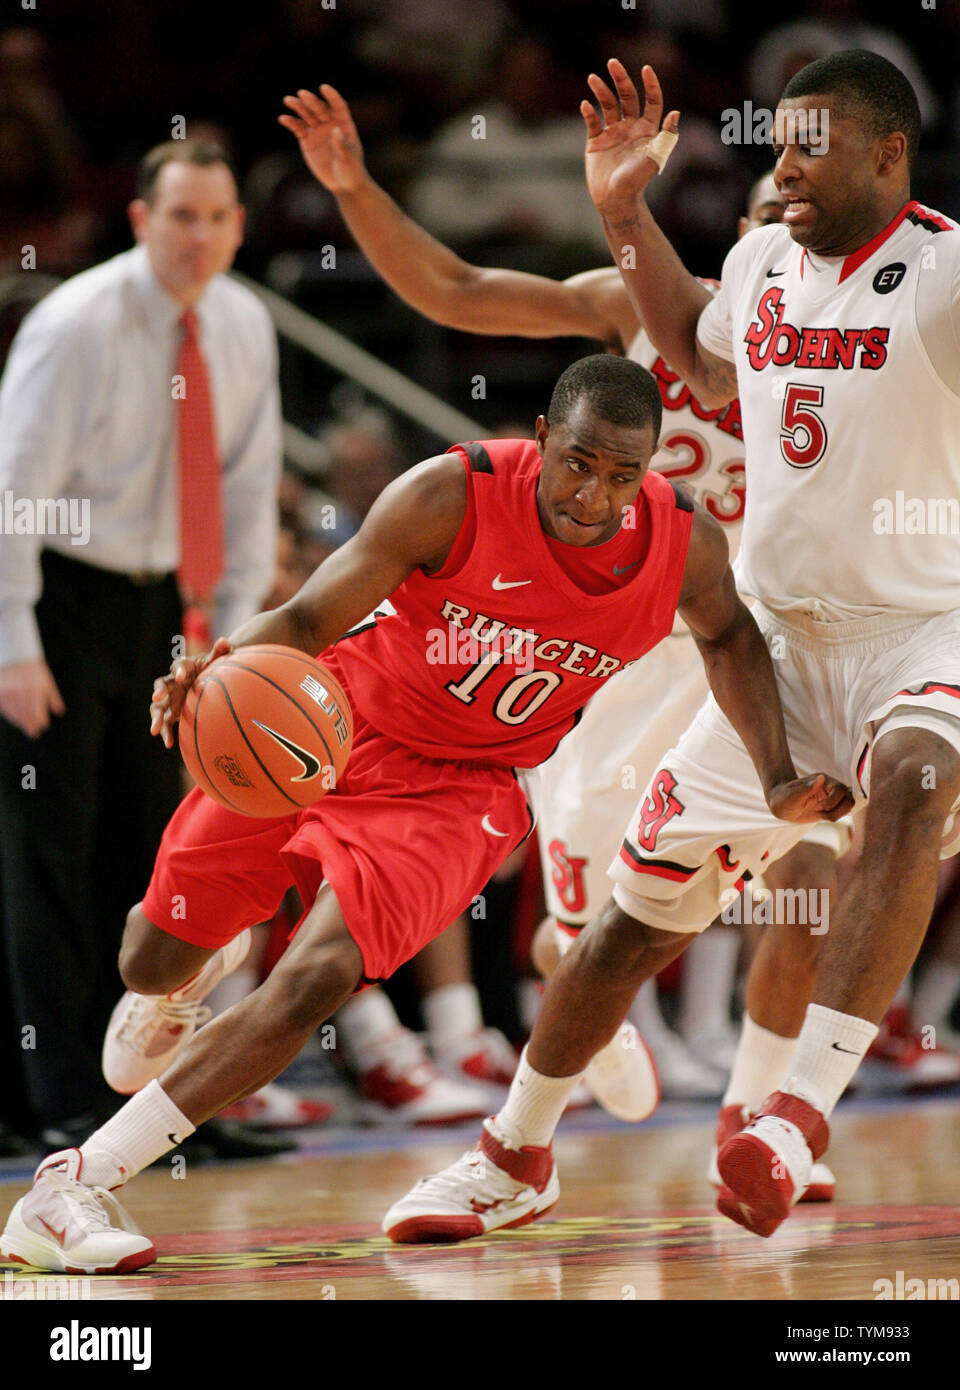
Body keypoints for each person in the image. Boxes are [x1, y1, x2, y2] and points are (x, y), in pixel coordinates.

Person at [0, 353, 850, 1272]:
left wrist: (775, 776)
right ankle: (189, 970)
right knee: (150, 953)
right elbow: (312, 614)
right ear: (541, 443)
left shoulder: (682, 547)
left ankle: (74, 1183)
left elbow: (730, 637)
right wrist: (215, 666)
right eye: (577, 463)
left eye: (620, 475)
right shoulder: (450, 493)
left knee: (320, 974)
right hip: (332, 721)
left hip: (461, 788)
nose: (594, 496)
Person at [381, 49, 960, 1244]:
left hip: (921, 628)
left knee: (911, 781)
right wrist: (620, 211)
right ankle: (514, 1151)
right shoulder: (761, 263)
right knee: (630, 924)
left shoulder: (943, 275)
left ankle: (792, 1110)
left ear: (890, 154)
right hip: (773, 644)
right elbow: (698, 360)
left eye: (812, 144)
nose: (784, 166)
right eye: (779, 144)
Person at [278, 81, 852, 1135]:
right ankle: (577, 1009)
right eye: (771, 220)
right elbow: (454, 286)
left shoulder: (843, 358)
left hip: (741, 642)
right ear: (741, 238)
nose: (787, 247)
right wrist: (355, 190)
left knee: (811, 868)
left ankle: (755, 1111)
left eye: (806, 233)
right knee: (589, 920)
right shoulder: (636, 305)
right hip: (619, 646)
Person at [0, 138, 282, 1153]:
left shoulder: (245, 321)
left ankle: (151, 1109)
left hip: (171, 605)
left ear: (239, 227)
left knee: (154, 862)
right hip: (58, 599)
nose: (198, 237)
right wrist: (12, 635)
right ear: (138, 222)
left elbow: (250, 492)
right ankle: (59, 1095)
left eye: (216, 218)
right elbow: (14, 483)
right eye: (180, 217)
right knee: (50, 858)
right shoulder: (75, 322)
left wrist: (242, 635)